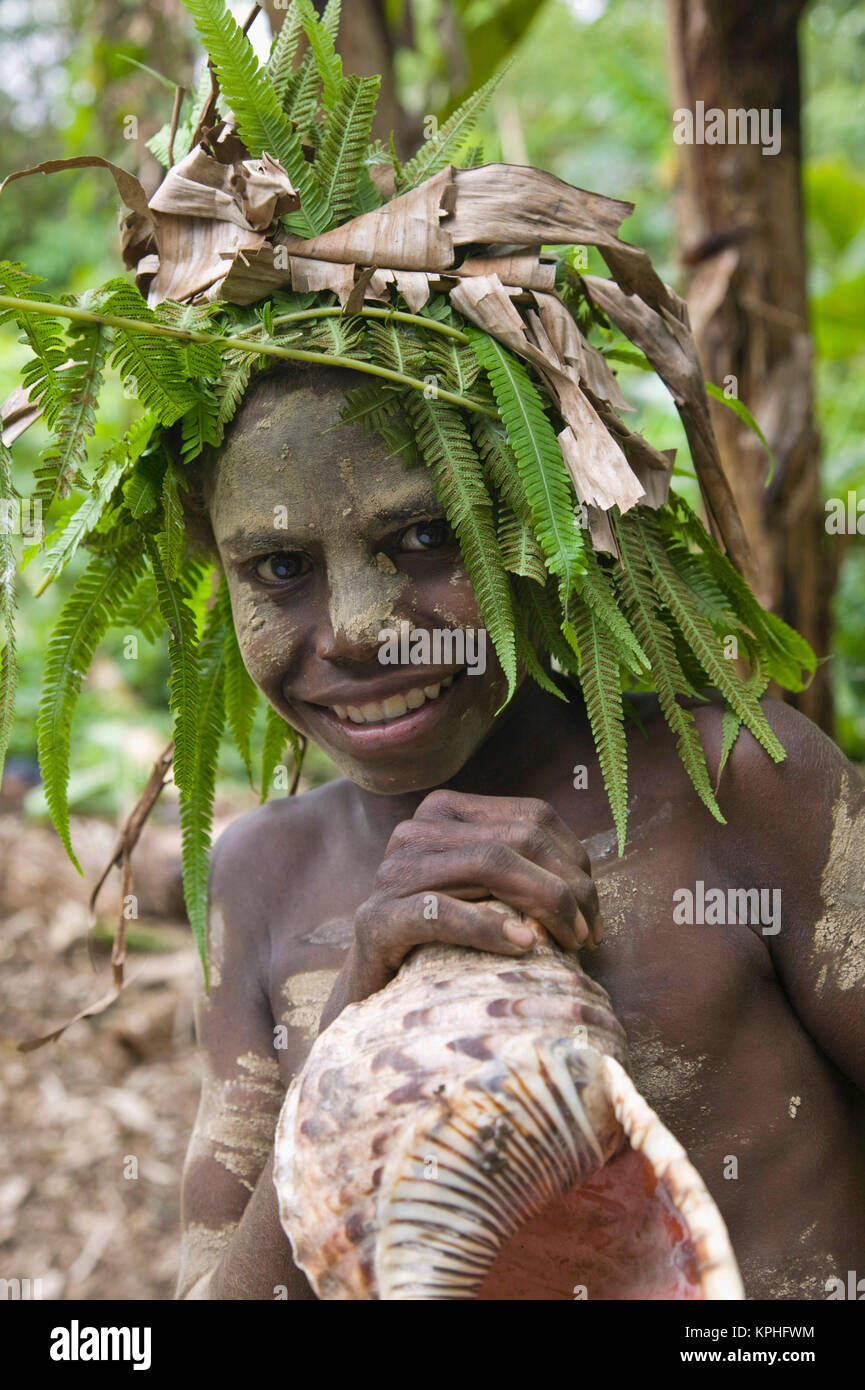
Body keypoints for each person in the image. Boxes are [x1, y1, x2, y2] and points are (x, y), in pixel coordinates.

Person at [173, 361, 865, 1301]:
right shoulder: (257, 880)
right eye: (279, 567)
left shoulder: (737, 783)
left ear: (535, 522)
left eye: (421, 536)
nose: (356, 630)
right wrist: (352, 1032)